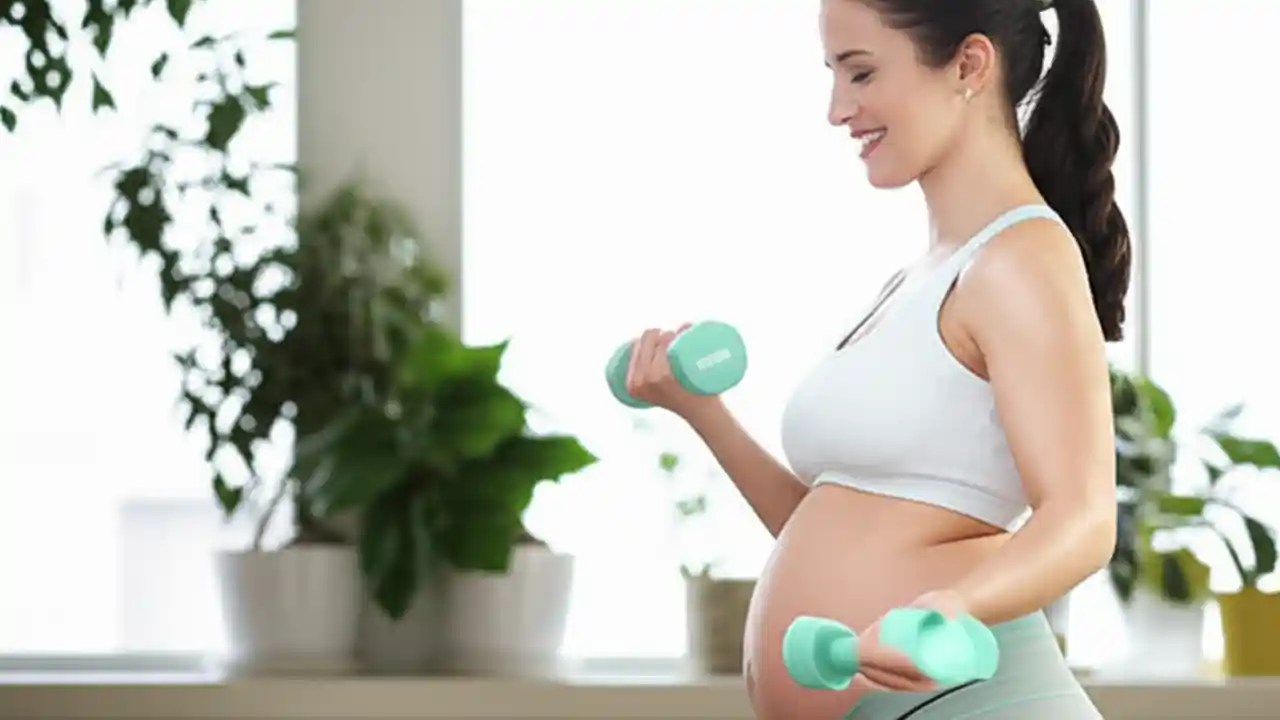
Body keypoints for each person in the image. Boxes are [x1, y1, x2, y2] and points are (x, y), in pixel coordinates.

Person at [623, 0, 1127, 718]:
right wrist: (702, 413)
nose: (837, 109)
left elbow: (1082, 519)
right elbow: (832, 526)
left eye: (860, 74)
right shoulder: (921, 278)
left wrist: (949, 608)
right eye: (833, 75)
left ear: (969, 64)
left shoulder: (1022, 260)